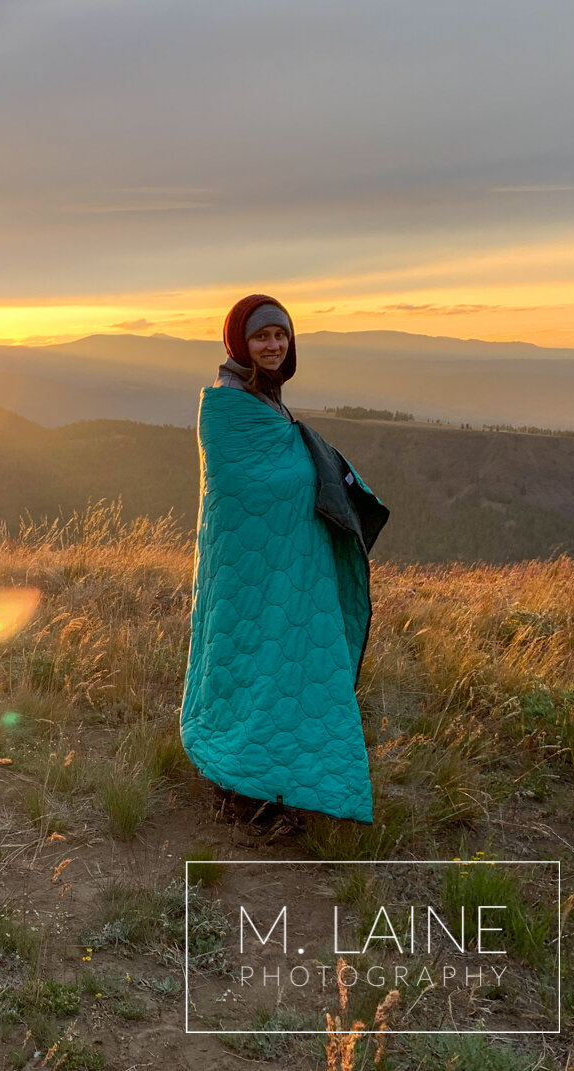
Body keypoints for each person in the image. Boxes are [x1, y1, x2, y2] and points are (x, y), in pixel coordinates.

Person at [180, 295, 389, 826]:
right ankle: (244, 782)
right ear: (239, 343)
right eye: (262, 337)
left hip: (291, 565)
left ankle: (268, 779)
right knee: (249, 656)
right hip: (249, 571)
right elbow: (237, 486)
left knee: (286, 662)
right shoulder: (229, 404)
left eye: (281, 336)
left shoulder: (266, 397)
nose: (274, 346)